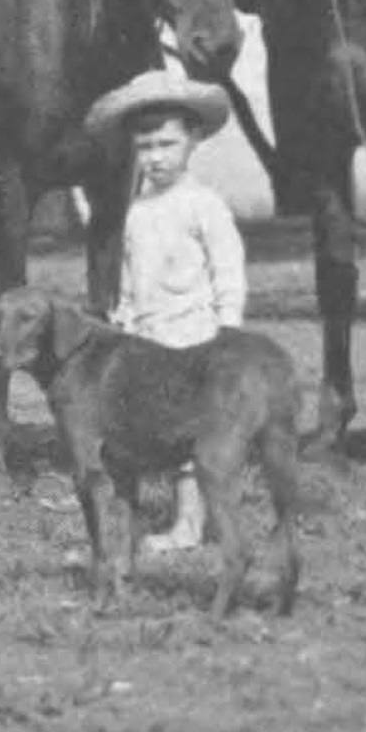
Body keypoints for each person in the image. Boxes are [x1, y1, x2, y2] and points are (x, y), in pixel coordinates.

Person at [85, 67, 249, 554]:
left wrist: (227, 330)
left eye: (166, 144)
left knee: (189, 435)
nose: (155, 157)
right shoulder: (138, 210)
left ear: (193, 140)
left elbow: (228, 271)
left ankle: (190, 523)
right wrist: (124, 315)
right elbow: (130, 272)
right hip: (148, 339)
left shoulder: (204, 205)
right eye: (145, 147)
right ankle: (129, 517)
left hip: (194, 338)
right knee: (139, 427)